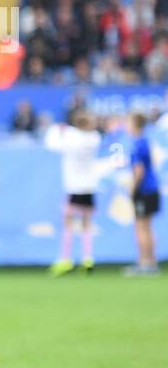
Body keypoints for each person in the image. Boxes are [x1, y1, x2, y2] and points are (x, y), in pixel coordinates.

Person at [45, 110, 102, 275]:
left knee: (68, 223)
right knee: (87, 224)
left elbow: (52, 143)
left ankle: (66, 259)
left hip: (74, 187)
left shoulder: (71, 138)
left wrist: (59, 130)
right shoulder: (94, 138)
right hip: (90, 186)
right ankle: (88, 258)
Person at [124, 112, 160, 276]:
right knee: (148, 227)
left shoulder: (137, 144)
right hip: (152, 188)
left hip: (143, 190)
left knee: (141, 227)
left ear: (134, 125)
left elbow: (139, 171)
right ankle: (151, 262)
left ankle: (144, 262)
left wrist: (131, 190)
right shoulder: (145, 141)